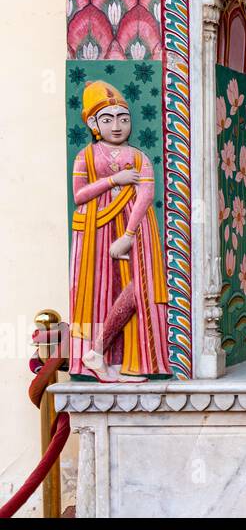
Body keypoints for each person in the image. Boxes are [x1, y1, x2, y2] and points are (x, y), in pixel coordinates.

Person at [69, 81, 169, 382]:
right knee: (98, 291)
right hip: (93, 231)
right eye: (108, 119)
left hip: (135, 229)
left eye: (123, 119)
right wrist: (115, 180)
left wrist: (127, 235)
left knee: (143, 287)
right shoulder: (85, 156)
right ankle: (97, 356)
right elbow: (79, 195)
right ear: (93, 123)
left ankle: (104, 352)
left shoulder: (139, 157)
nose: (117, 126)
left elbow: (146, 195)